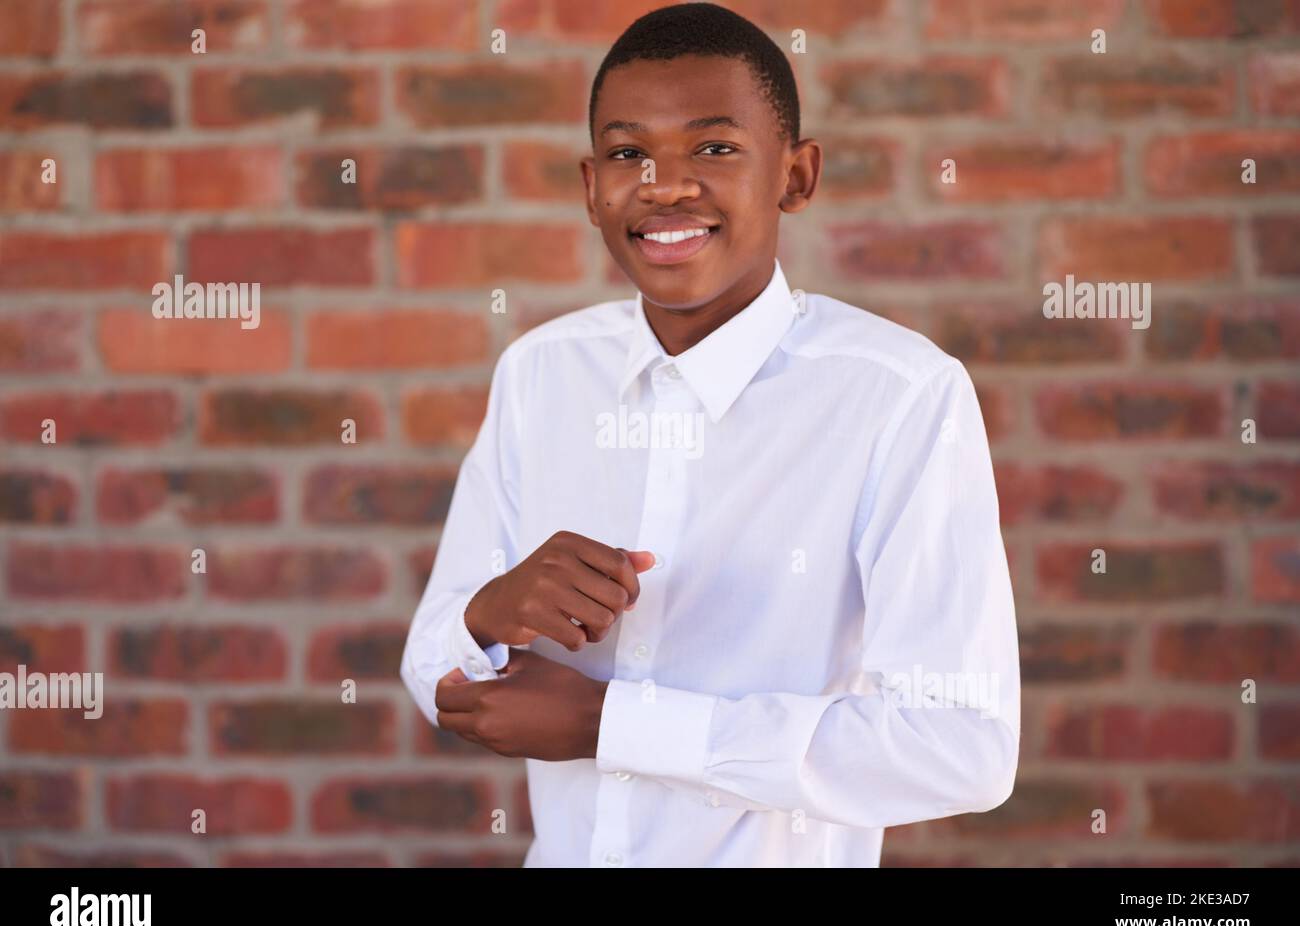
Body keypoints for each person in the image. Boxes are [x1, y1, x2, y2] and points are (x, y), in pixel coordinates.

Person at [401, 2, 1020, 867]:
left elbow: (961, 745)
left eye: (715, 148)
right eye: (628, 153)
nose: (663, 184)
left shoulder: (899, 398)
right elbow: (439, 675)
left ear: (796, 177)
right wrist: (485, 613)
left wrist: (611, 724)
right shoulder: (543, 375)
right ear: (591, 187)